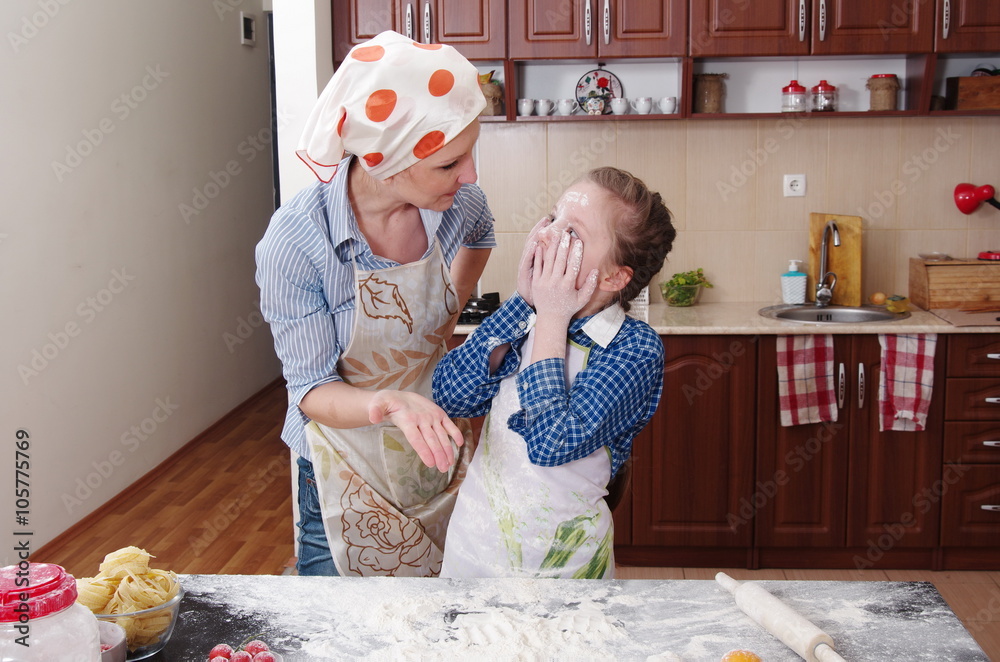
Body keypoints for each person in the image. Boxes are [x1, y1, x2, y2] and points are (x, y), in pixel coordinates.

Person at [255, 31, 495, 577]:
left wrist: (446, 314)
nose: (471, 175)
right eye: (449, 163)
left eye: (471, 152)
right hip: (344, 463)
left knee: (442, 620)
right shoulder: (296, 243)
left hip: (435, 450)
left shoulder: (461, 206)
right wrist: (387, 403)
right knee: (345, 631)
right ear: (386, 160)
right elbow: (311, 390)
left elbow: (480, 234)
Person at [432, 166, 676, 579]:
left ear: (615, 276)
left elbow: (550, 443)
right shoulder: (525, 315)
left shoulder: (633, 349)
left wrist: (550, 318)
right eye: (552, 217)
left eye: (574, 233)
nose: (547, 234)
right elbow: (449, 394)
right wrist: (525, 302)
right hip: (472, 553)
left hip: (565, 570)